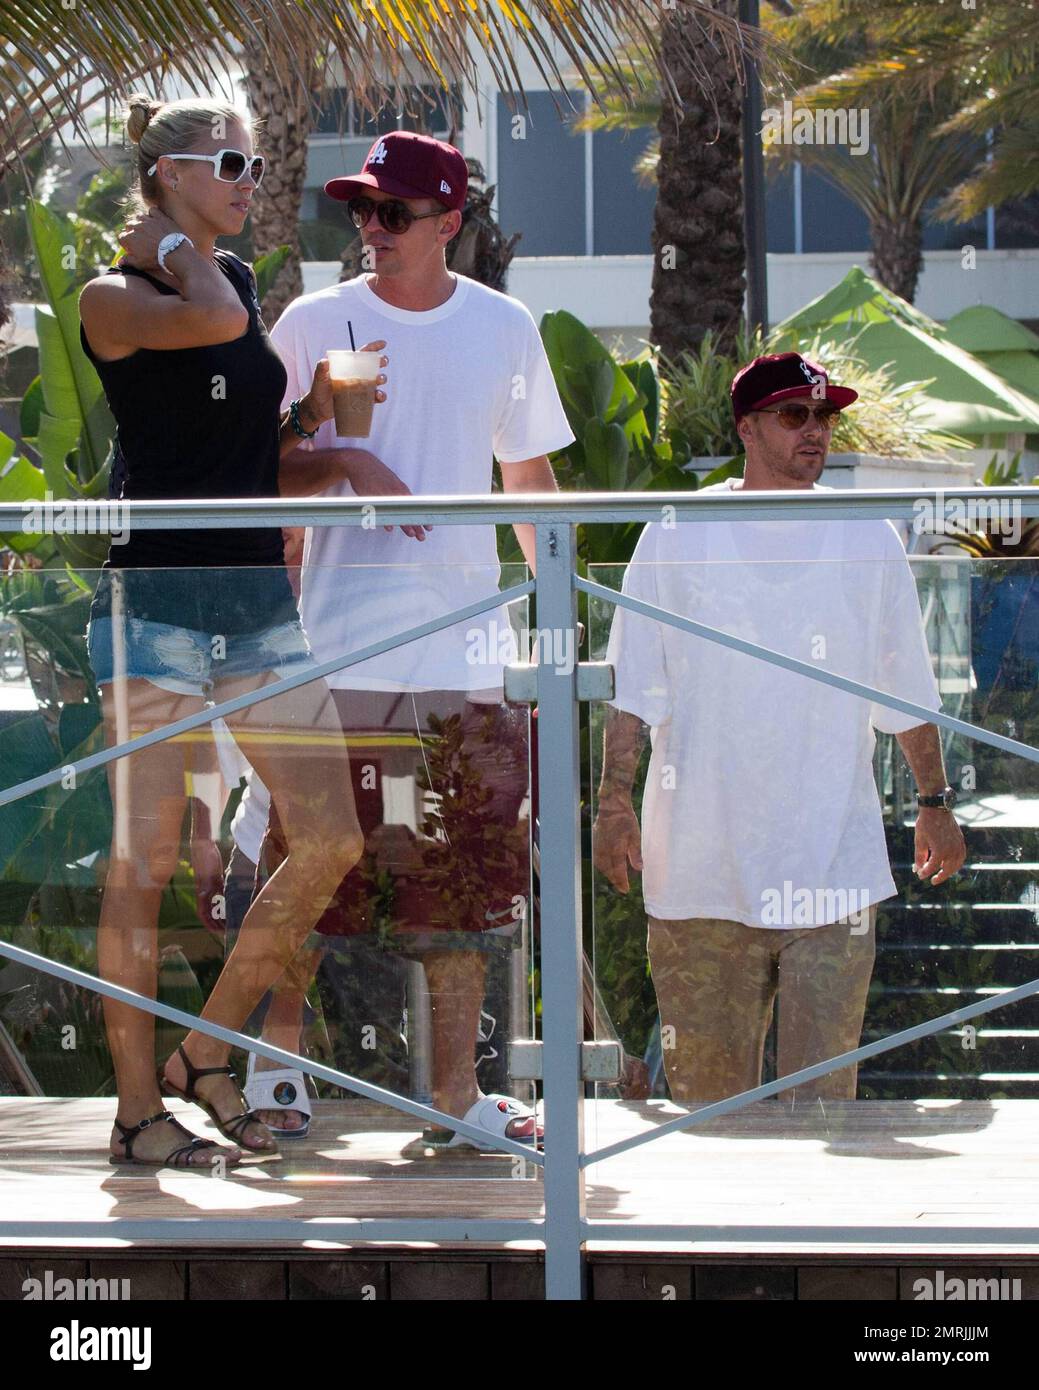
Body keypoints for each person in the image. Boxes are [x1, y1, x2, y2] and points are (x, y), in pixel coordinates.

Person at [247, 130, 575, 1147]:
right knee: (306, 862)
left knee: (459, 881)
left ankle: (453, 1102)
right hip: (333, 648)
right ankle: (274, 1076)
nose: (370, 230)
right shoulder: (312, 320)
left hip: (465, 660)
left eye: (392, 213)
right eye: (360, 211)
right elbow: (251, 470)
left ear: (448, 225)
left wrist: (562, 627)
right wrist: (330, 447)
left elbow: (530, 483)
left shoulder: (504, 326)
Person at [78, 94, 389, 1167]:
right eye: (227, 163)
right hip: (155, 605)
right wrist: (167, 242)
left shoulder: (241, 283)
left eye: (255, 164)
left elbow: (245, 455)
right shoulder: (110, 295)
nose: (250, 181)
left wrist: (330, 442)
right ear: (164, 172)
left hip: (255, 599)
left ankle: (201, 1053)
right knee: (145, 859)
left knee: (333, 836)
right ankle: (136, 1115)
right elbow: (206, 323)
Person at [593, 352, 967, 1105]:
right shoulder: (676, 532)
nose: (814, 432)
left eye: (824, 417)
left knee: (824, 1111)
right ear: (746, 427)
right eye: (793, 415)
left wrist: (934, 803)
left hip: (831, 872)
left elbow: (904, 691)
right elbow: (632, 687)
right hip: (699, 873)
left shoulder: (867, 537)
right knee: (706, 1115)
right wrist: (611, 804)